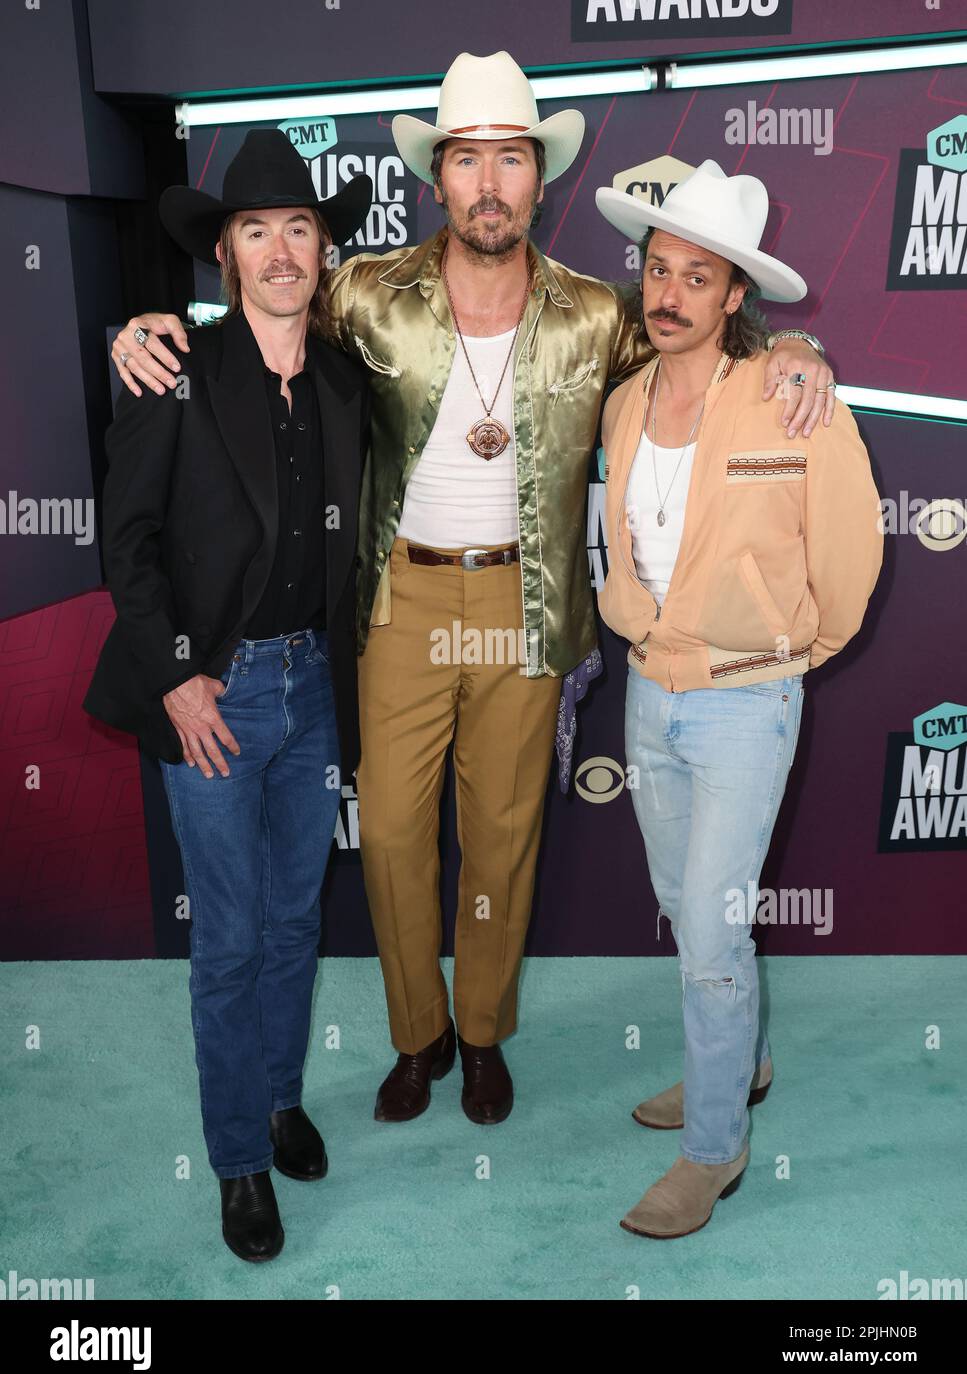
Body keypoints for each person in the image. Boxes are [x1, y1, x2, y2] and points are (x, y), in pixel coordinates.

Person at [108, 52, 833, 1131]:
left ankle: (483, 1031)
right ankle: (420, 1035)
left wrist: (796, 349)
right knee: (394, 836)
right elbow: (258, 333)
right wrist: (144, 327)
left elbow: (708, 331)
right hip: (395, 603)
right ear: (435, 178)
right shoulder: (364, 291)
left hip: (526, 605)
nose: (488, 183)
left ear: (537, 180)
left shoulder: (599, 312)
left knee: (502, 831)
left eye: (509, 160)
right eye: (466, 161)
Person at [84, 131, 373, 1261]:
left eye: (299, 227)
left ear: (322, 246)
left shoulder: (348, 382)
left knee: (297, 920)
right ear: (225, 254)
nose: (281, 249)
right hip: (214, 694)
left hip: (312, 688)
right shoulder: (174, 367)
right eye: (256, 230)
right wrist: (175, 681)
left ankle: (275, 1097)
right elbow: (130, 542)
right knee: (234, 939)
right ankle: (238, 1162)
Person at [594, 160, 883, 1238]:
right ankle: (742, 1062)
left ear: (732, 297)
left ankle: (712, 1148)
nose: (668, 294)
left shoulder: (787, 391)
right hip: (647, 691)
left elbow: (850, 549)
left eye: (695, 278)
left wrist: (790, 652)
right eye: (656, 271)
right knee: (688, 911)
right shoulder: (623, 403)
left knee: (714, 931)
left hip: (745, 703)